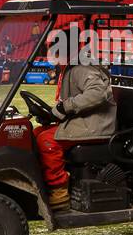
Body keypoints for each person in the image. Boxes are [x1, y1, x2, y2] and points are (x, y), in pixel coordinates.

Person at [32, 47, 117, 211]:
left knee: (46, 140)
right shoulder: (72, 67)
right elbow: (71, 103)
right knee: (36, 133)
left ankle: (58, 192)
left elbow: (98, 93)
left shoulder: (81, 68)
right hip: (86, 120)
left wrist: (65, 108)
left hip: (95, 124)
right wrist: (53, 114)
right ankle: (44, 181)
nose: (54, 57)